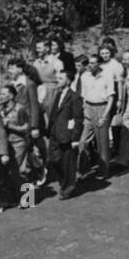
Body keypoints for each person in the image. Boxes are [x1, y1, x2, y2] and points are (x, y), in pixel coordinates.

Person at [44, 60, 84, 200]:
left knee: (68, 163)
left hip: (67, 135)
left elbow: (78, 119)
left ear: (68, 81)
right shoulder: (58, 94)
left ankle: (68, 188)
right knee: (55, 160)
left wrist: (75, 138)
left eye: (60, 79)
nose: (57, 80)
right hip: (55, 133)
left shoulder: (75, 97)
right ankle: (64, 182)